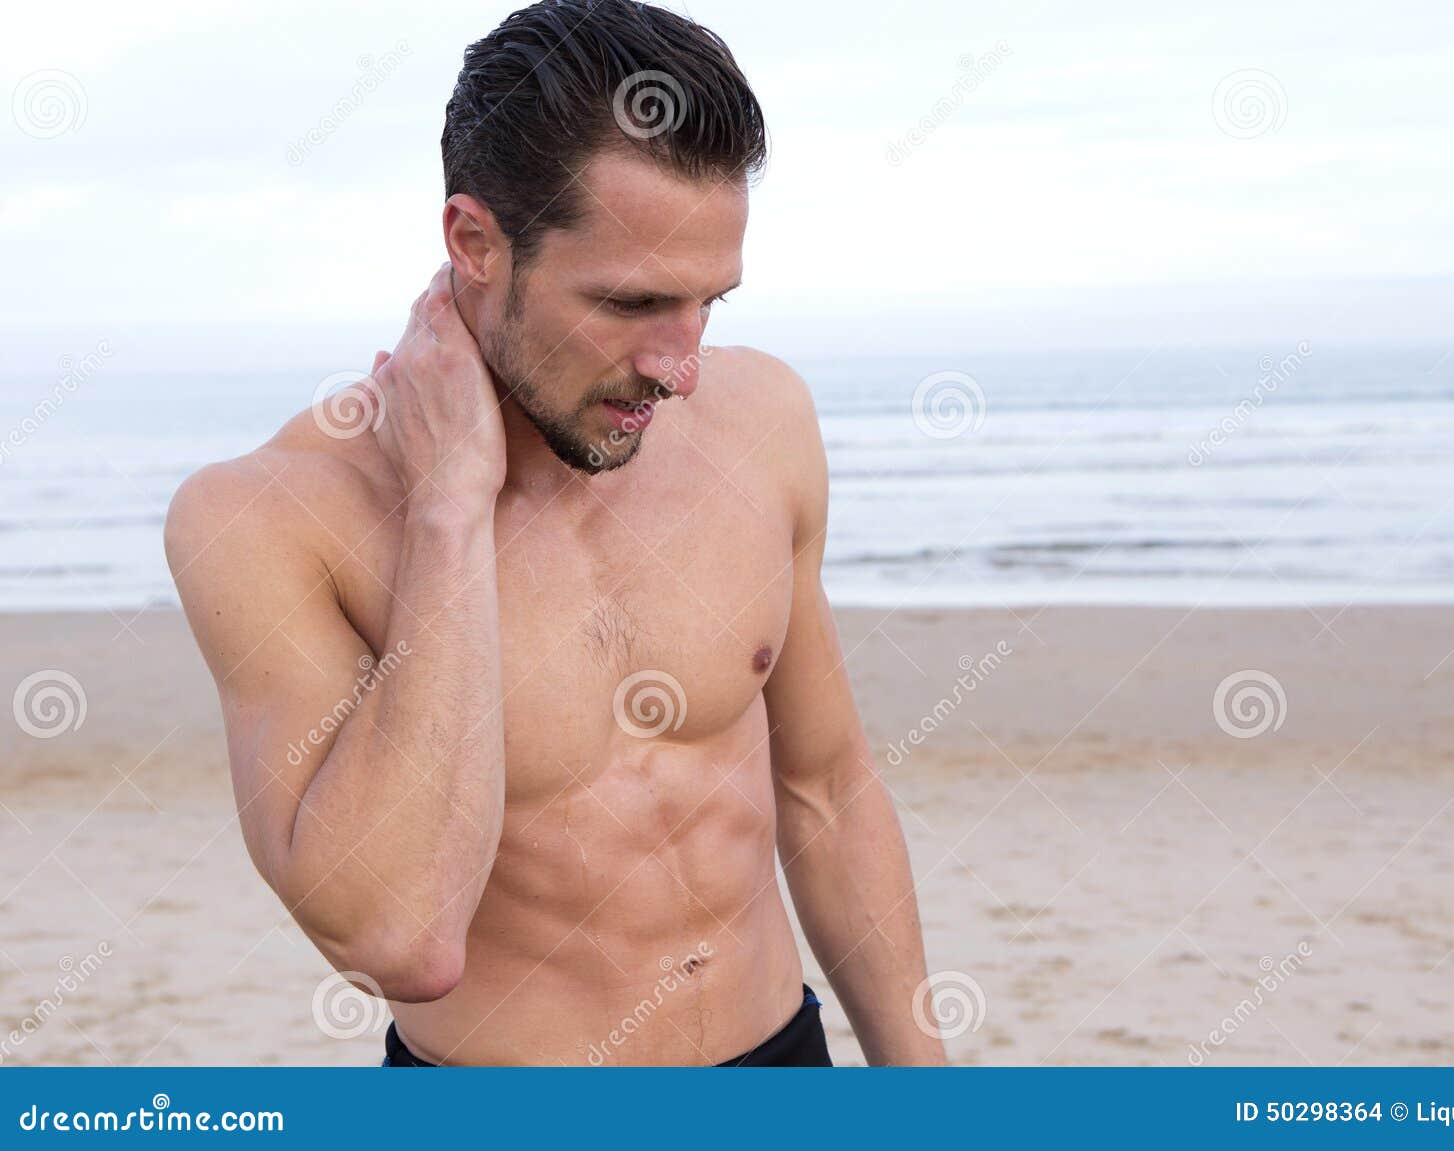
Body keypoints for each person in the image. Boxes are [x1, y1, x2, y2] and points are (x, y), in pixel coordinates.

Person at [164, 0, 944, 1066]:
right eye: (632, 303)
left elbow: (826, 783)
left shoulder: (761, 421)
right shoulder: (270, 517)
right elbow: (400, 936)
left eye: (709, 300)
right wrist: (449, 506)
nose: (684, 363)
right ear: (474, 241)